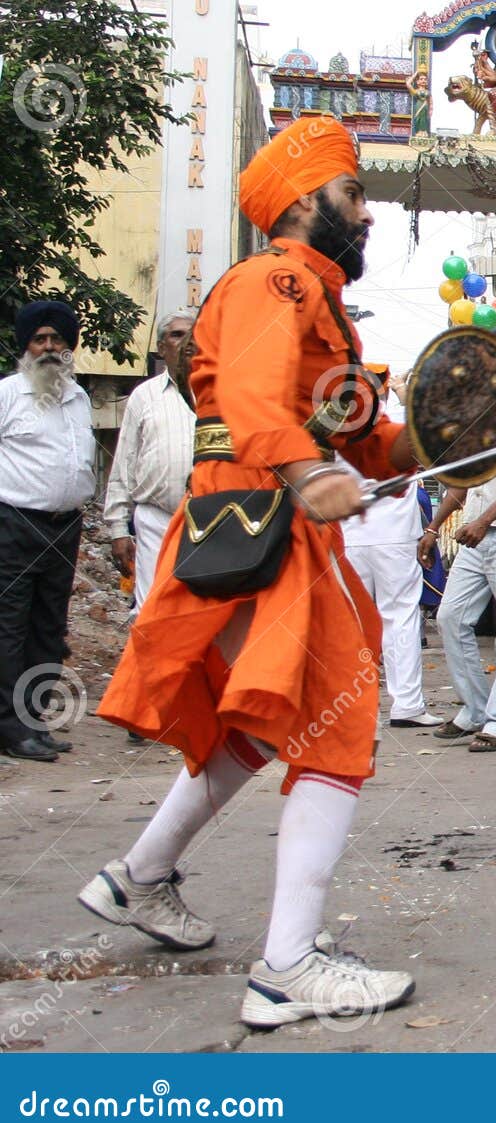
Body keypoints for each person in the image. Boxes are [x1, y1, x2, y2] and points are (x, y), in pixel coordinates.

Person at [82, 115, 420, 1026]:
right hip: (265, 514)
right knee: (339, 717)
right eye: (355, 196)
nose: (368, 215)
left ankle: (140, 875)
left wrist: (420, 446)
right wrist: (310, 472)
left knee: (265, 720)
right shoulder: (277, 278)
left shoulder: (317, 298)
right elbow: (253, 397)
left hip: (251, 514)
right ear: (306, 202)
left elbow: (352, 431)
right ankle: (287, 967)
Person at [423, 332, 496, 753]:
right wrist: (433, 528)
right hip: (476, 535)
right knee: (450, 618)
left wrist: (485, 521)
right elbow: (464, 480)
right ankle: (475, 710)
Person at [0, 300, 96, 763]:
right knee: (9, 628)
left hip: (64, 527)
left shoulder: (77, 397)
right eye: (40, 339)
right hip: (14, 523)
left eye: (57, 339)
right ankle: (9, 727)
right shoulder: (7, 395)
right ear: (26, 346)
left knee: (48, 627)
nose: (49, 347)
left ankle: (35, 721)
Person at [341, 365, 442, 730]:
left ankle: (349, 708)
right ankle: (407, 704)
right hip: (394, 537)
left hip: (351, 536)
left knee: (352, 625)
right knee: (399, 618)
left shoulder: (339, 431)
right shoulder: (401, 426)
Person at [105, 311, 197, 615]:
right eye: (177, 335)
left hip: (208, 522)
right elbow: (124, 463)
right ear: (161, 348)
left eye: (192, 335)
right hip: (156, 519)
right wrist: (119, 528)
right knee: (151, 614)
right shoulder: (144, 396)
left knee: (200, 614)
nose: (186, 343)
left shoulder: (219, 393)